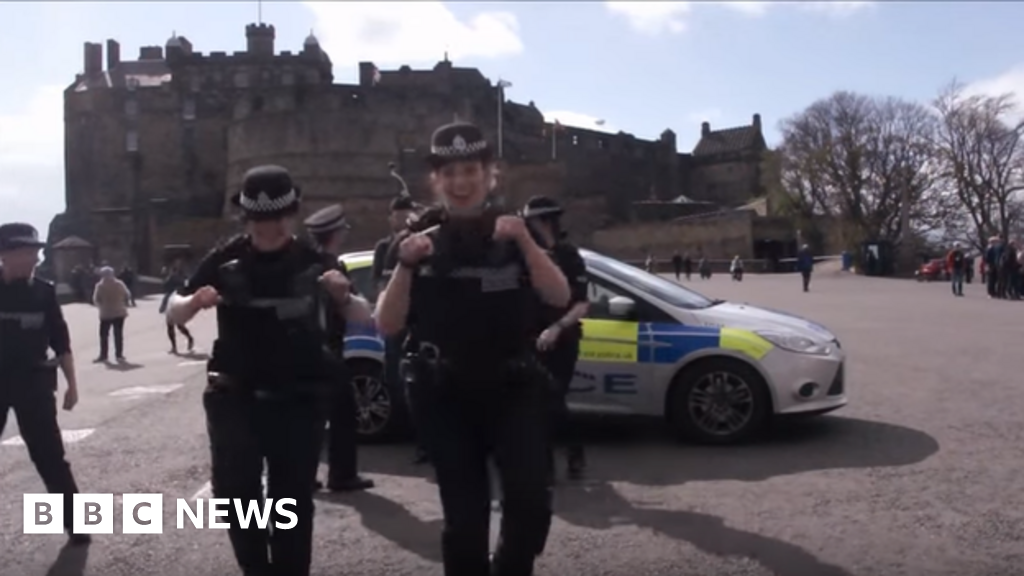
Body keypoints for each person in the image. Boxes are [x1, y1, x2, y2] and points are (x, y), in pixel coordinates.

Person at [375, 122, 570, 576]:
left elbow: (559, 295)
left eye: (470, 171)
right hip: (445, 393)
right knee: (464, 519)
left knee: (529, 504)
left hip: (513, 386)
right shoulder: (415, 240)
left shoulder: (517, 232)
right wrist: (406, 265)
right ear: (435, 180)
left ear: (490, 174)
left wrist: (525, 241)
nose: (460, 182)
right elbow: (387, 323)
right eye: (449, 173)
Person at [166, 165, 372, 576]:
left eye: (276, 219)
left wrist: (343, 296)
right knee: (235, 498)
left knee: (290, 503)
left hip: (298, 398)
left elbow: (362, 314)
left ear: (291, 214)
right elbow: (174, 308)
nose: (267, 229)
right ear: (246, 217)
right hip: (235, 396)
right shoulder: (225, 258)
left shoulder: (315, 260)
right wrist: (193, 302)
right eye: (258, 220)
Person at [0, 223, 90, 545]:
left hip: (34, 382)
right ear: (4, 255)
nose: (33, 259)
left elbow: (61, 342)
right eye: (25, 253)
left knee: (50, 456)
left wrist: (72, 385)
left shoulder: (43, 292)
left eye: (35, 253)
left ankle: (77, 526)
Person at [303, 203, 376, 492]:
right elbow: (356, 308)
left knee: (310, 416)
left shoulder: (307, 263)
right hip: (326, 349)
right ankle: (342, 475)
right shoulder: (331, 267)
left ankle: (304, 476)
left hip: (308, 349)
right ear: (336, 234)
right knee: (343, 412)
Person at [522, 195, 590, 481]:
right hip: (528, 339)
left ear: (546, 222)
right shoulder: (523, 255)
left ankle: (572, 451)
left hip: (562, 339)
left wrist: (558, 327)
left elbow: (582, 303)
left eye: (531, 222)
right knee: (535, 401)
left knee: (552, 398)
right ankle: (545, 465)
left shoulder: (568, 255)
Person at [370, 195, 430, 465]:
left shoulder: (425, 243)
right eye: (399, 215)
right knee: (397, 381)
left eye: (407, 214)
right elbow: (380, 284)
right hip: (396, 323)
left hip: (418, 323)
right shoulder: (386, 247)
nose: (403, 219)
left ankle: (425, 442)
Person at [92, 266, 131, 362]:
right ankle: (119, 354)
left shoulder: (100, 286)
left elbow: (96, 299)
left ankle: (103, 355)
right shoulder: (119, 284)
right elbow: (127, 295)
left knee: (104, 335)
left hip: (106, 313)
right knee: (118, 334)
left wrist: (101, 306)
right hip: (119, 312)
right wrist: (123, 303)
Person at [160, 264, 194, 354]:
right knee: (178, 325)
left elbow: (165, 287)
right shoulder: (182, 279)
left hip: (173, 301)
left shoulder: (172, 278)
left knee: (171, 326)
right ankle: (189, 338)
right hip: (177, 301)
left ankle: (174, 347)